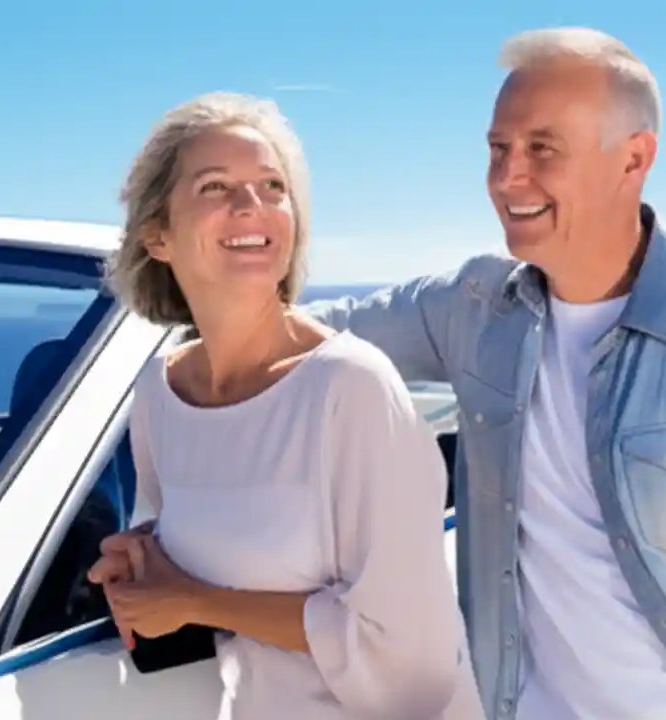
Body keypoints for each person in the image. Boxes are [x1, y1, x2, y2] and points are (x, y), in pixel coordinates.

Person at [304, 27, 666, 720]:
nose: (507, 177)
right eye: (498, 149)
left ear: (634, 159)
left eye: (541, 149)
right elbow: (301, 336)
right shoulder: (473, 310)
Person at [86, 92, 485, 720]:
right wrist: (134, 567)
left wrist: (197, 599)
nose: (252, 205)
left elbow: (414, 662)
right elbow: (177, 565)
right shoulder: (160, 391)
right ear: (157, 235)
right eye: (216, 187)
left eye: (272, 185)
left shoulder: (348, 388)